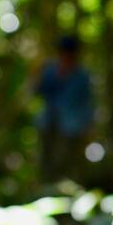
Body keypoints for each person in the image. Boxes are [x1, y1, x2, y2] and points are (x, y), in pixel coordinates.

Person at [34, 34, 94, 182]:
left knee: (69, 162)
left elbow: (87, 102)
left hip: (72, 127)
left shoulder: (81, 75)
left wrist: (88, 126)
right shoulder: (50, 70)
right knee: (47, 162)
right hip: (49, 123)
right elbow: (37, 91)